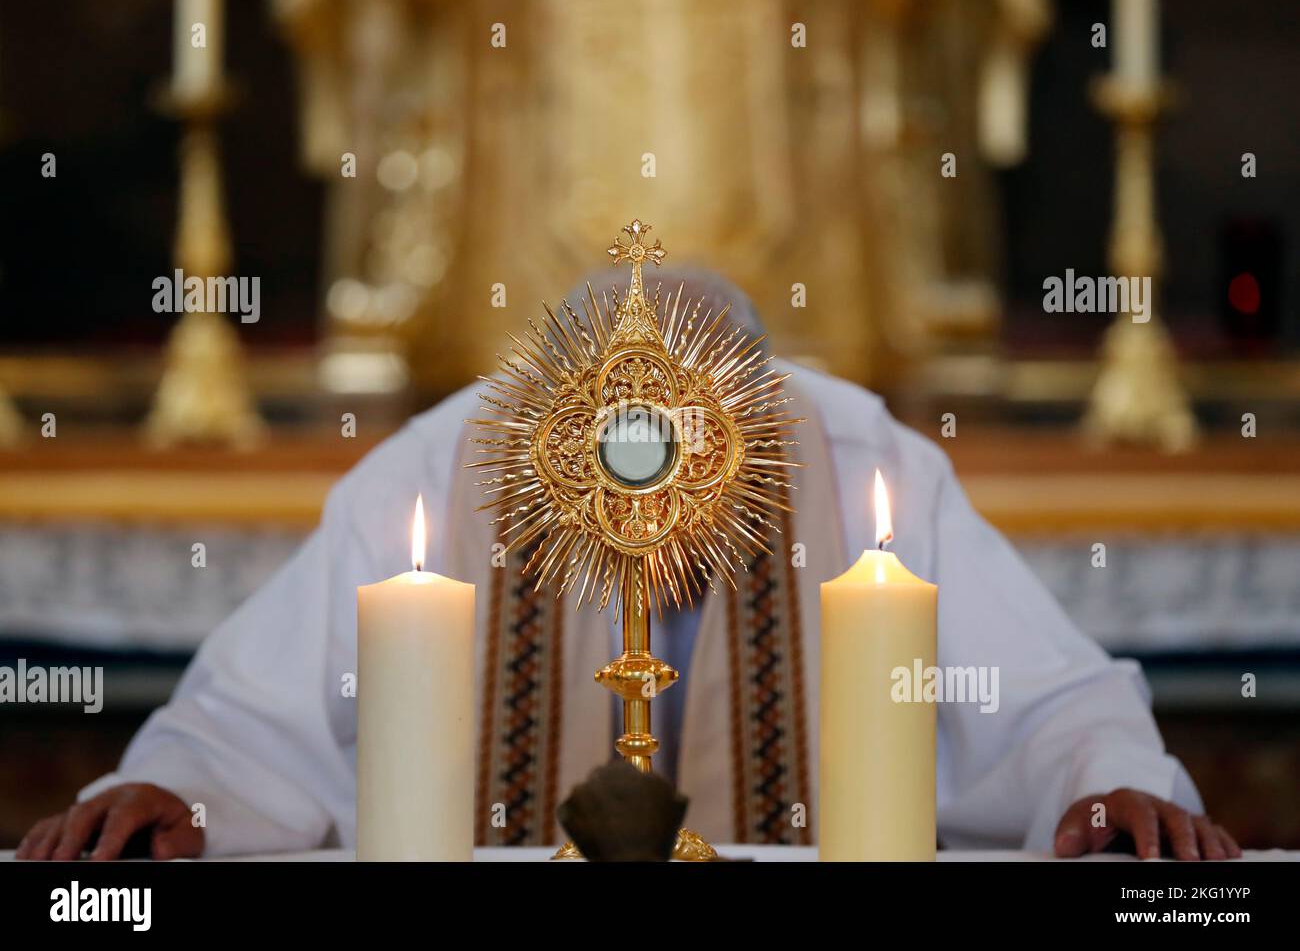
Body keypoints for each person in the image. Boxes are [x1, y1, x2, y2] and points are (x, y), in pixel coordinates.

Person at [18, 269, 1240, 862]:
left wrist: (1106, 783)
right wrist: (176, 792)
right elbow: (248, 721)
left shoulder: (864, 465)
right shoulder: (436, 475)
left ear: (761, 419)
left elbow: (1047, 705)